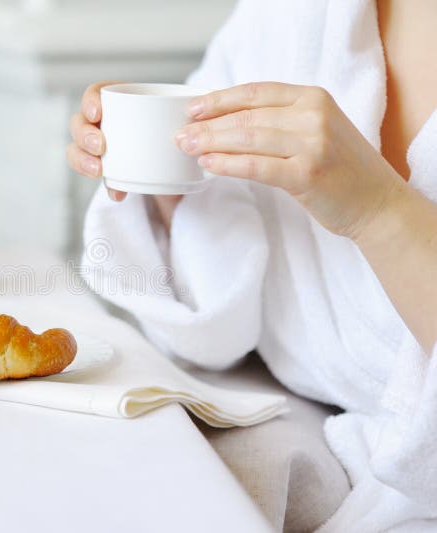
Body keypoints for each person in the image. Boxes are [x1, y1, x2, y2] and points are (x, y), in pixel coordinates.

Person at [68, 1, 437, 531]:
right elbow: (217, 325)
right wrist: (166, 176)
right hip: (293, 427)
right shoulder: (289, 14)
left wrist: (378, 212)